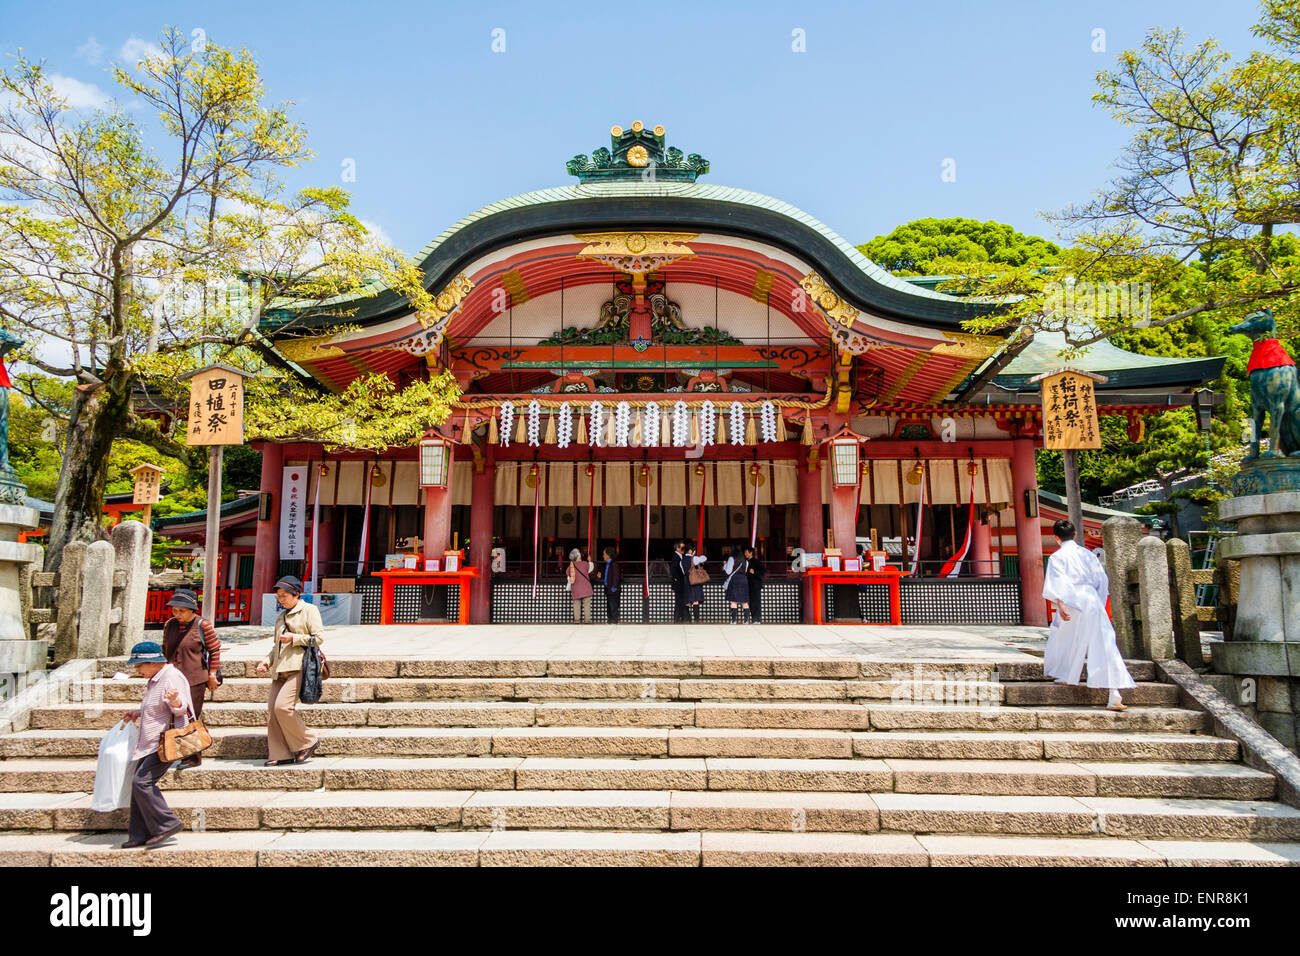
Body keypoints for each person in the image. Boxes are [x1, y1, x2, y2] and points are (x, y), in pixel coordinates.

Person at [1042, 519, 1135, 711]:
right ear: (1075, 534)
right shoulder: (1089, 556)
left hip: (1071, 599)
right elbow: (1102, 581)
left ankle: (1067, 674)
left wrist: (1060, 604)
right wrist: (1098, 603)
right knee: (1103, 643)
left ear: (1056, 538)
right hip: (1091, 598)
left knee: (1065, 638)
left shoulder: (1057, 557)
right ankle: (1114, 692)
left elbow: (1057, 581)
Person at [120, 641, 192, 849]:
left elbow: (181, 708)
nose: (137, 670)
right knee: (138, 783)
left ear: (153, 663)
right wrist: (138, 713)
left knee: (142, 783)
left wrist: (176, 702)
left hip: (164, 741)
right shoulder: (155, 679)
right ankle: (139, 833)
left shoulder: (171, 677)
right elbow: (156, 708)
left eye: (139, 666)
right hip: (150, 741)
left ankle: (166, 823)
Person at [255, 576, 323, 765]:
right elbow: (276, 646)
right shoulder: (280, 617)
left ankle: (308, 740)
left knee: (282, 707)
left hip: (299, 665)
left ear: (296, 594)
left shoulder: (309, 611)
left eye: (285, 595)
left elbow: (318, 639)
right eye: (278, 596)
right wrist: (266, 662)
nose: (281, 599)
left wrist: (295, 638)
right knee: (272, 711)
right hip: (280, 668)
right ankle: (280, 753)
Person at [160, 588, 221, 768]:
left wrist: (212, 674)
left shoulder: (202, 625)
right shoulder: (169, 625)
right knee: (171, 715)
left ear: (191, 610)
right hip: (172, 677)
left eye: (181, 611)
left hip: (195, 678)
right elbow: (165, 650)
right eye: (175, 610)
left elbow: (214, 650)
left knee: (191, 716)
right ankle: (172, 751)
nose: (177, 614)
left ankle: (192, 757)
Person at [722, 545, 752, 623]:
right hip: (743, 580)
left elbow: (728, 571)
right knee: (745, 602)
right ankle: (746, 621)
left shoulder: (731, 558)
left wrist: (725, 565)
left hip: (734, 580)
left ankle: (734, 621)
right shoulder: (746, 561)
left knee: (733, 601)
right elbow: (745, 571)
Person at [681, 543, 708, 623]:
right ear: (690, 551)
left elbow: (683, 571)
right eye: (694, 551)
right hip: (695, 582)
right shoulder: (694, 559)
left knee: (687, 602)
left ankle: (687, 620)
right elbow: (704, 558)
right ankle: (696, 620)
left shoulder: (682, 560)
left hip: (686, 581)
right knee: (695, 601)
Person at [567, 548, 594, 623]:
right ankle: (587, 620)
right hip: (586, 588)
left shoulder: (570, 566)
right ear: (578, 556)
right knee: (587, 604)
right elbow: (591, 568)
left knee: (576, 604)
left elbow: (568, 576)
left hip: (576, 588)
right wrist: (590, 561)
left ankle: (577, 620)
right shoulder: (585, 564)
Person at [744, 545, 765, 624]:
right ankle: (752, 619)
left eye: (746, 552)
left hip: (755, 585)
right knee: (750, 603)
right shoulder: (745, 562)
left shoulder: (757, 561)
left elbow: (763, 572)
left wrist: (755, 572)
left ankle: (757, 619)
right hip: (748, 585)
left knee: (756, 602)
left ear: (751, 553)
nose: (745, 554)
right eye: (745, 552)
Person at [600, 545, 621, 624]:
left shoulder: (614, 564)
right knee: (609, 605)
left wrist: (614, 587)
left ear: (608, 555)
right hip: (608, 588)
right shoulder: (607, 564)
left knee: (613, 605)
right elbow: (607, 575)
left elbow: (616, 576)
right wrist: (601, 575)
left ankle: (614, 620)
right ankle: (610, 619)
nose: (603, 556)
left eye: (604, 554)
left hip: (613, 589)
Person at [669, 540, 688, 622]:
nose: (684, 549)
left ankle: (681, 618)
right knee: (678, 601)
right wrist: (676, 578)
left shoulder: (680, 556)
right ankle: (677, 619)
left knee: (681, 601)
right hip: (678, 583)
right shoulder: (675, 556)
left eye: (684, 548)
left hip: (681, 582)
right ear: (677, 548)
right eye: (682, 548)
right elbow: (673, 569)